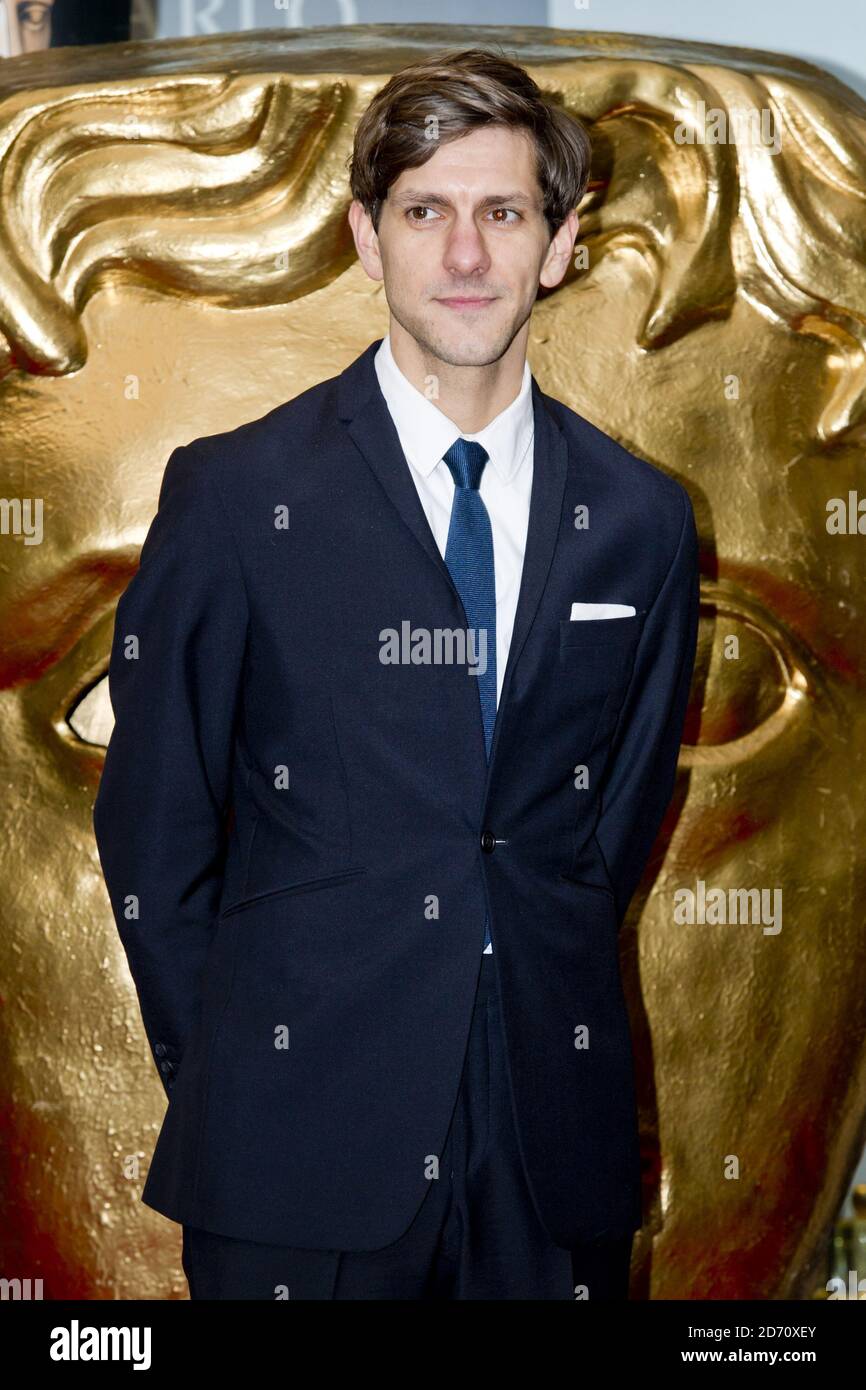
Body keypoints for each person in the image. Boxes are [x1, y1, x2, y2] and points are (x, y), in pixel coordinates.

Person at [93, 46, 700, 1300]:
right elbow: (155, 826)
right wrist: (236, 1074)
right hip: (292, 1156)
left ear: (560, 242)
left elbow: (608, 832)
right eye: (424, 212)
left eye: (502, 213)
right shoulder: (237, 495)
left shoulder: (639, 521)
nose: (465, 256)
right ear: (366, 238)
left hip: (548, 1153)